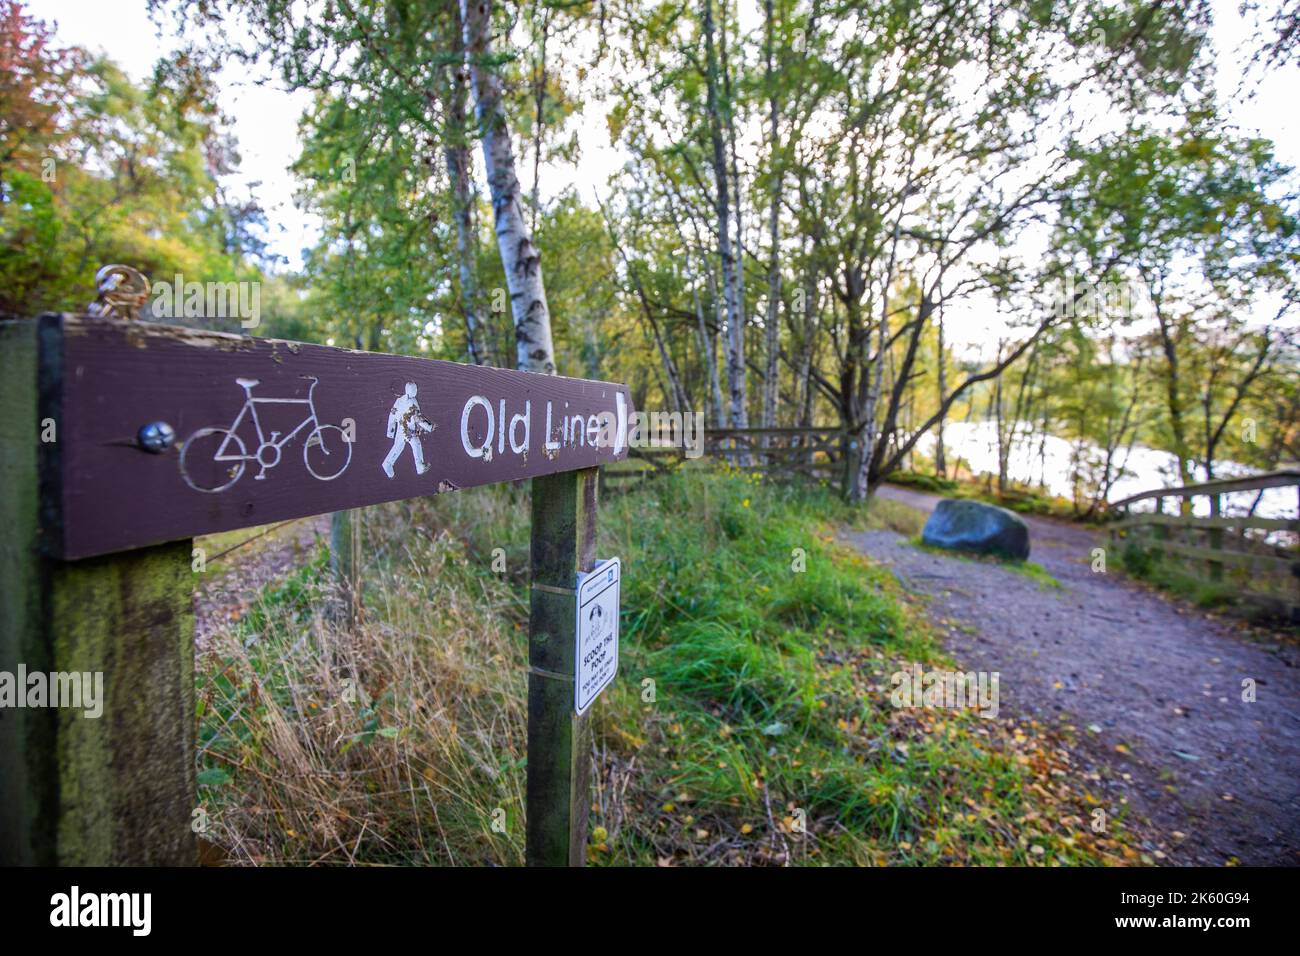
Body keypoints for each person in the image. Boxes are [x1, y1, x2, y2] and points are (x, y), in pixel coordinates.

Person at [382, 382, 434, 478]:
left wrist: (390, 431)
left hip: (405, 428)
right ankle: (418, 466)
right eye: (414, 389)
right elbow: (417, 418)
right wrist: (429, 427)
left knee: (400, 447)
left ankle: (387, 465)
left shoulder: (404, 400)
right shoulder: (409, 402)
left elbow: (392, 415)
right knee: (413, 443)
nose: (415, 391)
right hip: (405, 429)